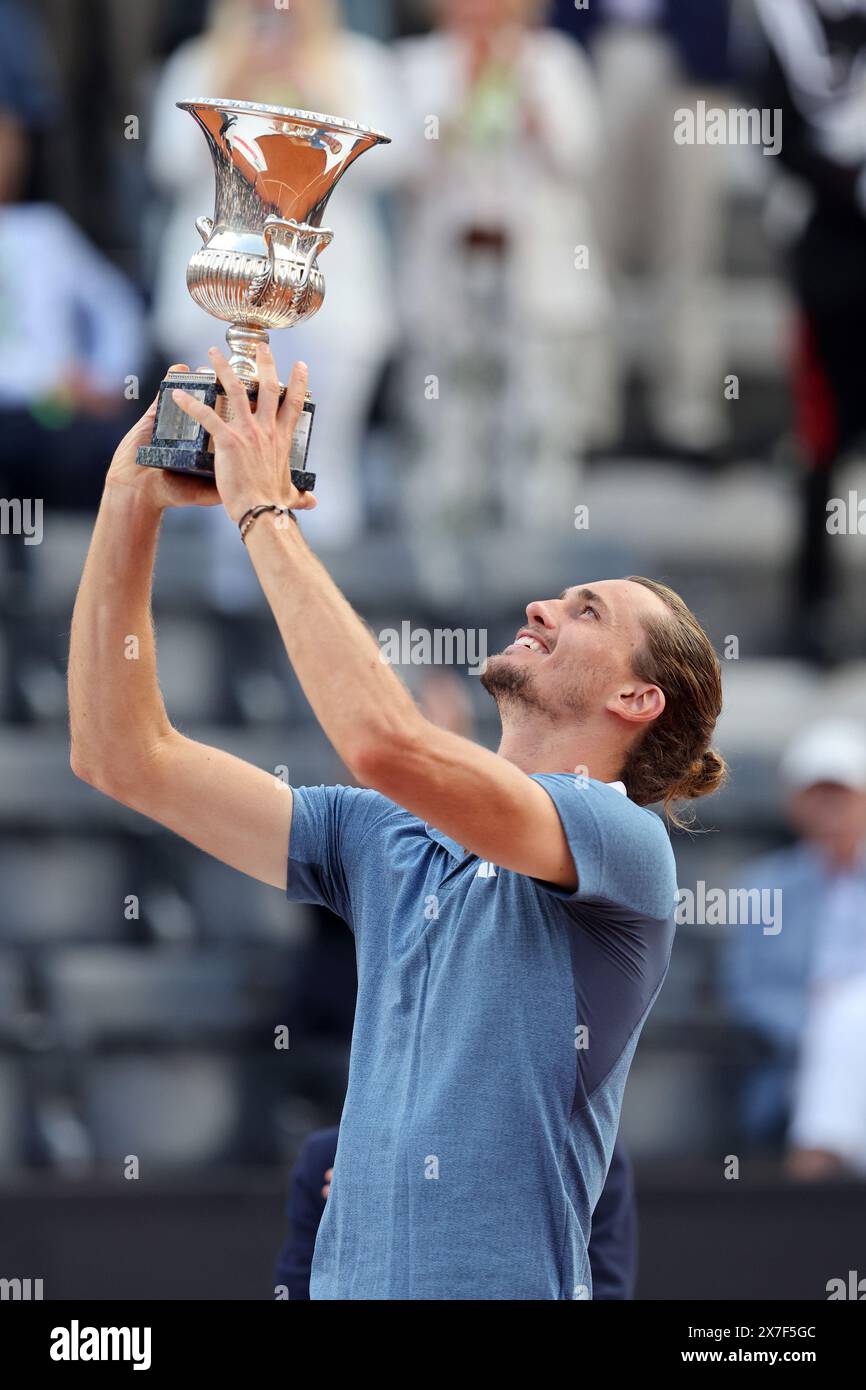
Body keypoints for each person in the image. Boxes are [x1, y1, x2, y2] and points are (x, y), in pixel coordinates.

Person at [68, 346, 726, 1299]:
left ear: (637, 698)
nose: (541, 605)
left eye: (585, 612)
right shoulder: (384, 838)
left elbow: (386, 742)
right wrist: (127, 505)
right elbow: (119, 754)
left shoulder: (624, 841)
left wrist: (262, 510)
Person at [147, 0, 402, 547]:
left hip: (327, 288)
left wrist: (310, 88)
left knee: (319, 445)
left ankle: (319, 587)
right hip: (222, 276)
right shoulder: (200, 59)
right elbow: (167, 164)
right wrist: (236, 78)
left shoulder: (359, 62)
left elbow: (390, 165)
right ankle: (227, 587)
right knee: (215, 434)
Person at [393, 0, 612, 531]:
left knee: (540, 428)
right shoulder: (415, 64)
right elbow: (400, 166)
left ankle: (540, 560)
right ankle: (439, 566)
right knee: (442, 424)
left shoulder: (553, 60)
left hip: (538, 277)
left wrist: (526, 92)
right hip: (447, 272)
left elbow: (582, 155)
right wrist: (459, 97)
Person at [276, 1127, 639, 1299]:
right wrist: (359, 1221)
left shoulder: (581, 1150)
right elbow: (297, 1286)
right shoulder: (330, 1156)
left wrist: (388, 1202)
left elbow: (603, 1286)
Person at [724, 720, 866, 1154]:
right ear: (794, 803)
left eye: (840, 794)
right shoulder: (762, 884)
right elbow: (748, 991)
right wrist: (823, 1032)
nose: (829, 807)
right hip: (797, 1058)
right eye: (816, 795)